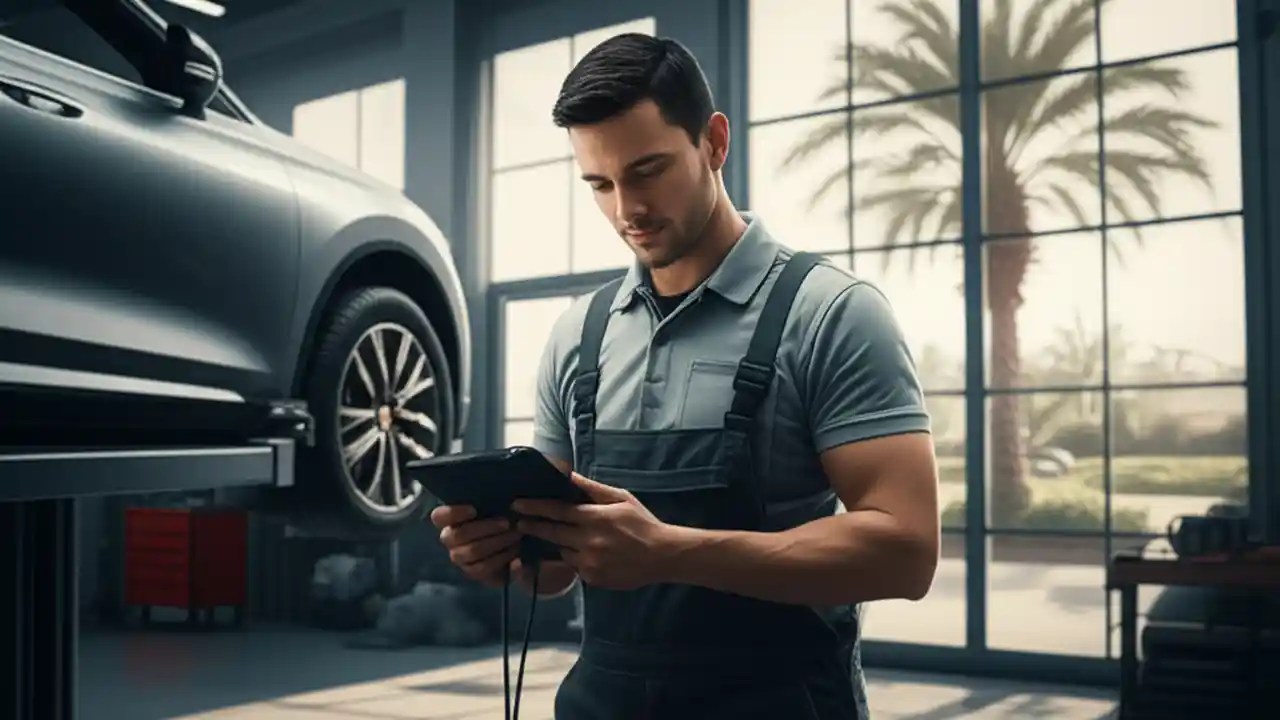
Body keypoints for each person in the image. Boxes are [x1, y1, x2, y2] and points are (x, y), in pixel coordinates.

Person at [431, 32, 940, 719]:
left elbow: (906, 552)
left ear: (715, 142)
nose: (626, 210)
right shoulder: (577, 338)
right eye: (600, 184)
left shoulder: (832, 315)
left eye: (648, 170)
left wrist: (672, 553)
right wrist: (503, 552)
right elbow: (553, 573)